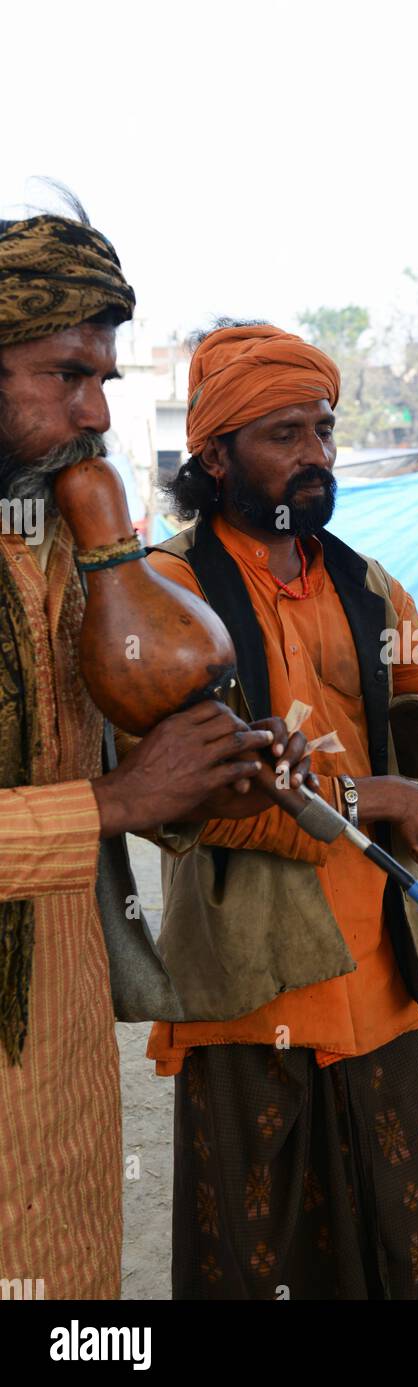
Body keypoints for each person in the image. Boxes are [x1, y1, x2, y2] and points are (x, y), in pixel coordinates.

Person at [146, 320, 418, 1301]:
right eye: (284, 433)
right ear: (216, 452)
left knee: (393, 1242)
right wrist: (381, 794)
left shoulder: (364, 583)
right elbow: (187, 796)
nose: (315, 453)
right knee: (252, 1250)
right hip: (250, 983)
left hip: (374, 980)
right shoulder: (169, 591)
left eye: (323, 427)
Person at [0, 212, 307, 1299]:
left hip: (67, 1010)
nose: (94, 412)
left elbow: (114, 771)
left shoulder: (56, 546)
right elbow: (108, 796)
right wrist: (118, 800)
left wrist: (196, 771)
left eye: (105, 379)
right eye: (65, 375)